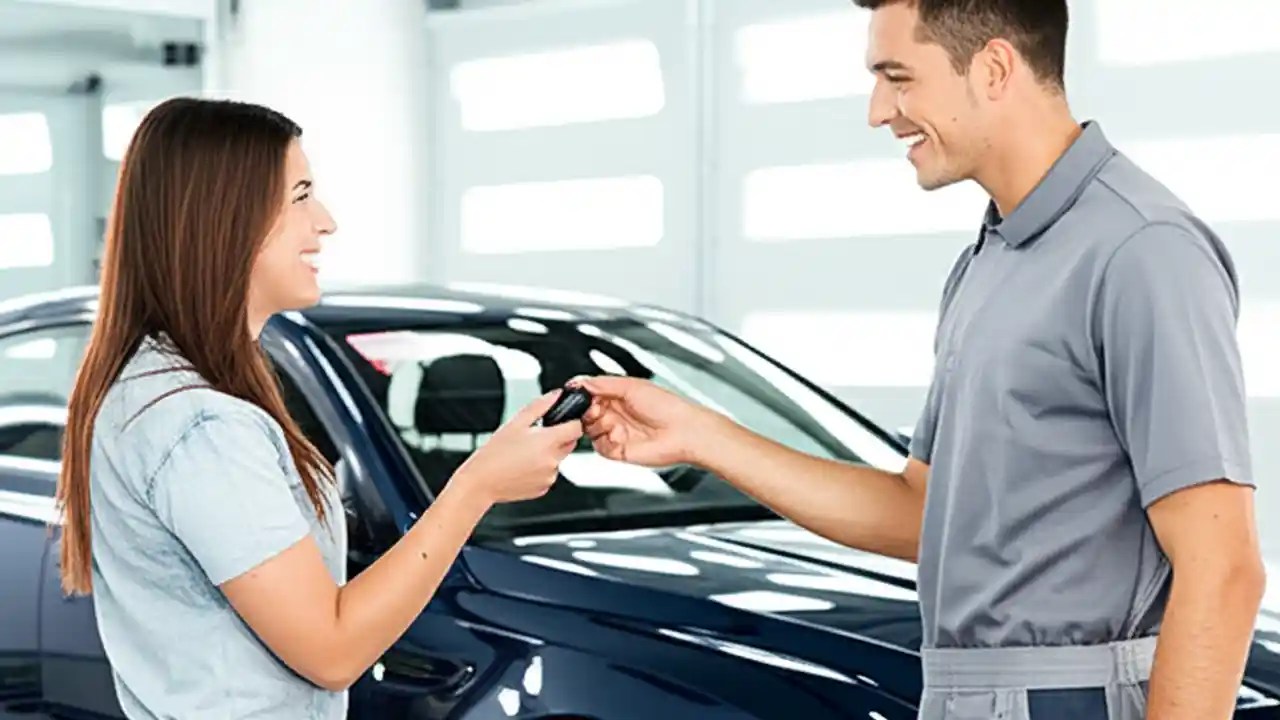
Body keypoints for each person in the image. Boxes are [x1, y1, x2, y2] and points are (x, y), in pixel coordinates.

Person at [572, 1, 1265, 718]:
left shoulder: (1143, 251)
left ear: (994, 68)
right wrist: (701, 435)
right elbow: (922, 516)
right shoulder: (987, 261)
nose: (879, 111)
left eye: (897, 77)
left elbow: (1223, 569)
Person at [54, 97, 583, 719]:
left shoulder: (165, 388)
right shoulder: (202, 426)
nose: (325, 222)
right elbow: (331, 650)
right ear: (226, 216)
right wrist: (476, 487)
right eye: (301, 195)